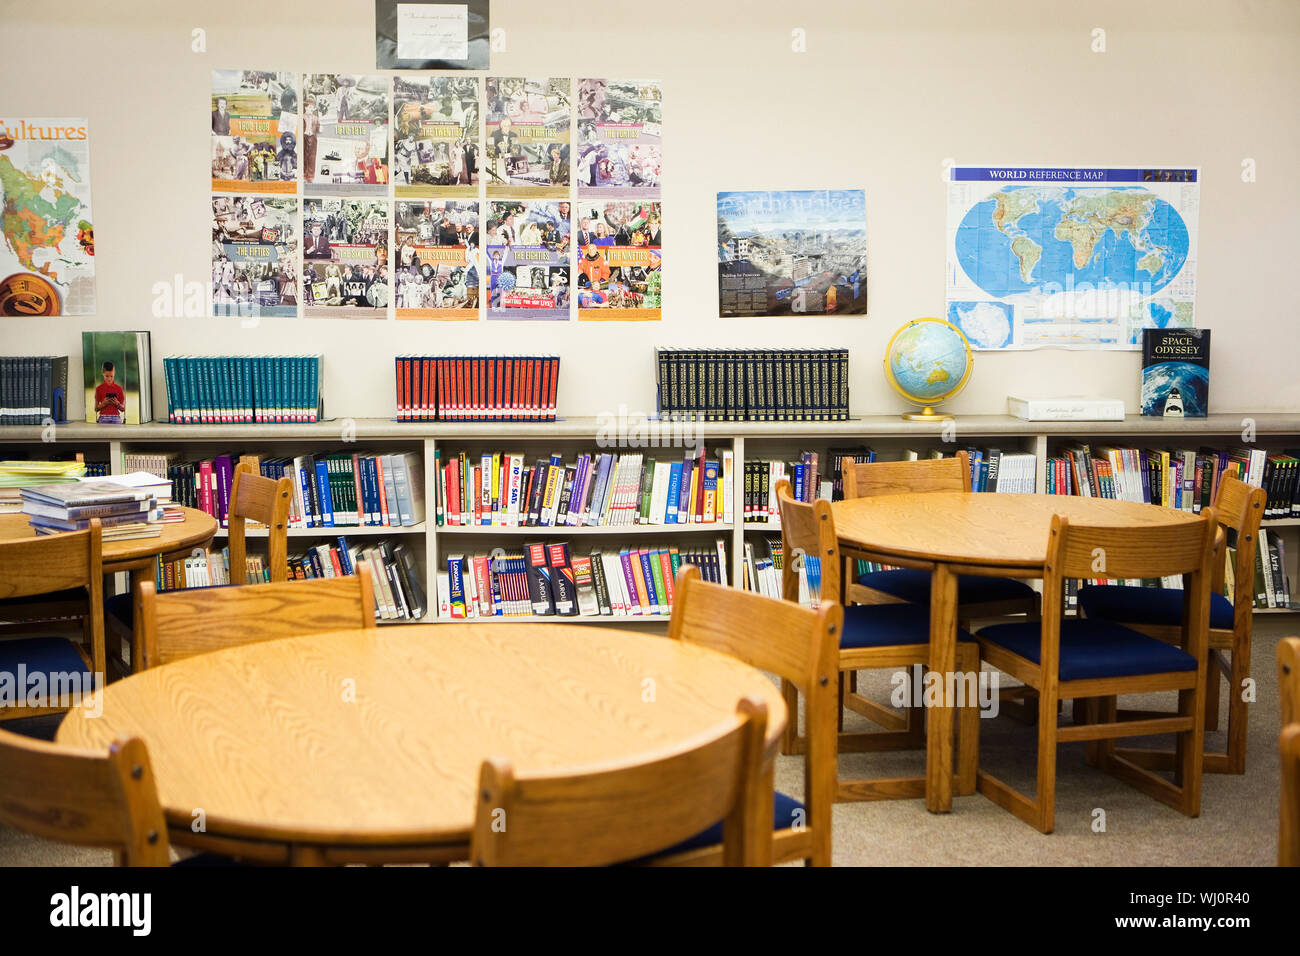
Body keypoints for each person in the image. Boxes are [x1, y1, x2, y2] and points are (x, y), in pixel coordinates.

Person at [303, 96, 320, 183]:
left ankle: (311, 176)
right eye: (310, 107)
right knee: (304, 156)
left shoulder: (316, 118)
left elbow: (318, 129)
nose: (311, 109)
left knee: (312, 157)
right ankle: (304, 175)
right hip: (304, 137)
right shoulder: (302, 117)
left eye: (313, 108)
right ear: (306, 107)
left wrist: (319, 129)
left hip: (313, 138)